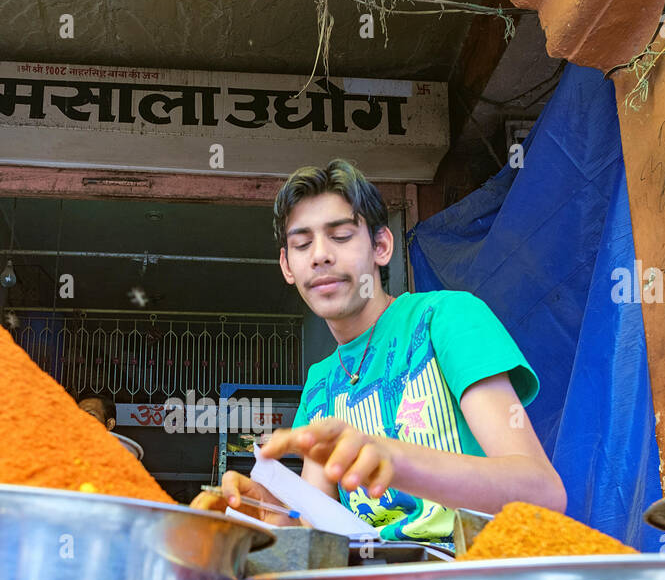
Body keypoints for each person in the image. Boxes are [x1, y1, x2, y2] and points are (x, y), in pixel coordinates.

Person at [191, 159, 566, 543]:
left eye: (340, 236)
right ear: (287, 266)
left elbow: (542, 492)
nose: (320, 255)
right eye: (302, 243)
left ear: (381, 246)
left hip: (475, 577)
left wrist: (394, 458)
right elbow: (319, 526)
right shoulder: (320, 384)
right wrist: (266, 513)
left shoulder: (448, 319)